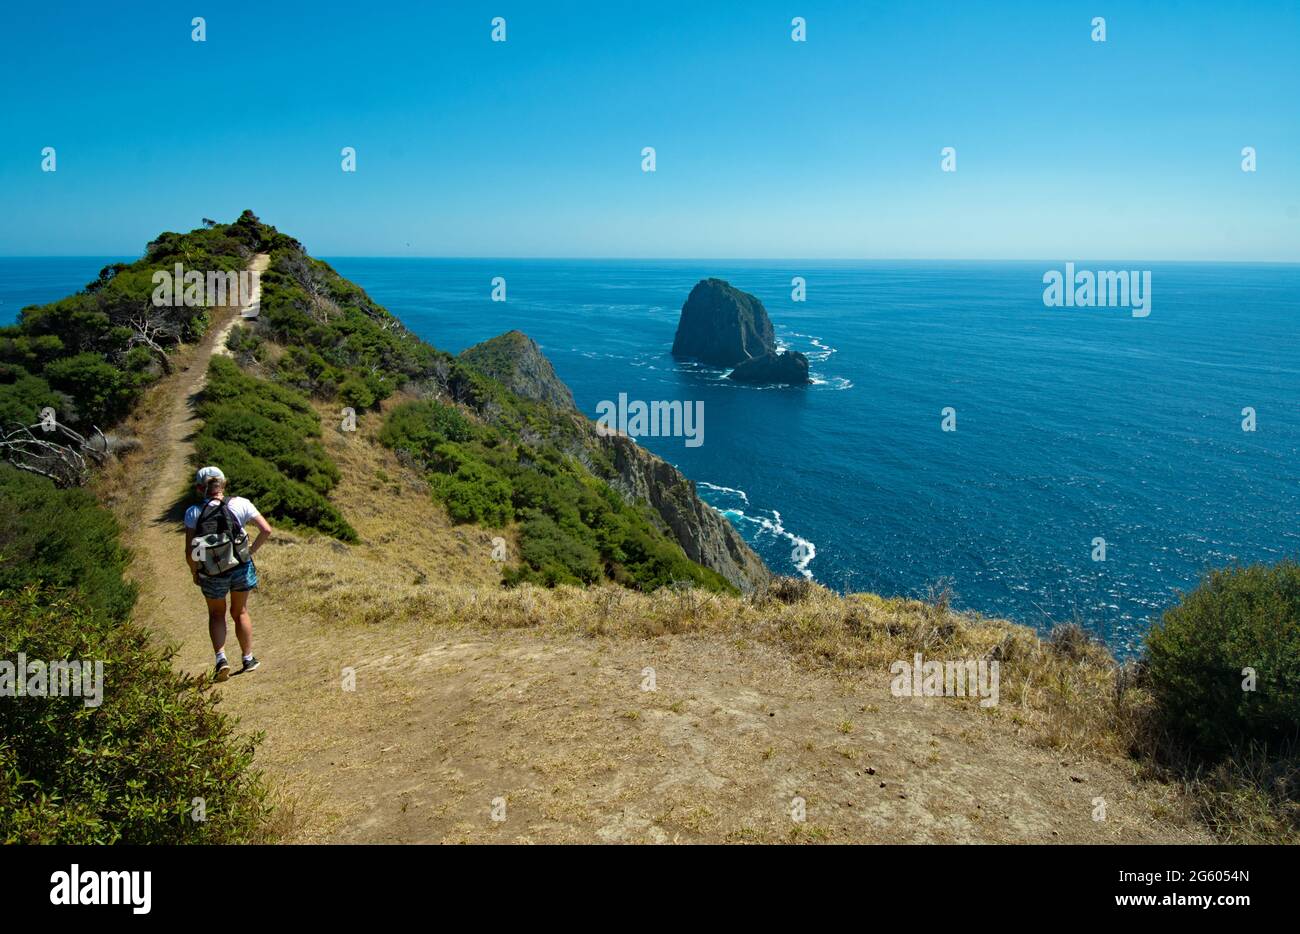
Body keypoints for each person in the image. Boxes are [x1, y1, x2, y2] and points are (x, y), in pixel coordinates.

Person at [184, 466, 273, 682]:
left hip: (212, 572)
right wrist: (249, 553)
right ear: (223, 484)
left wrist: (195, 572)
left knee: (216, 615)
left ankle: (221, 659)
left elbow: (190, 551)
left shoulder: (193, 513)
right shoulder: (240, 503)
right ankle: (248, 658)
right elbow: (266, 530)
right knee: (240, 611)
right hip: (240, 566)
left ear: (199, 488)